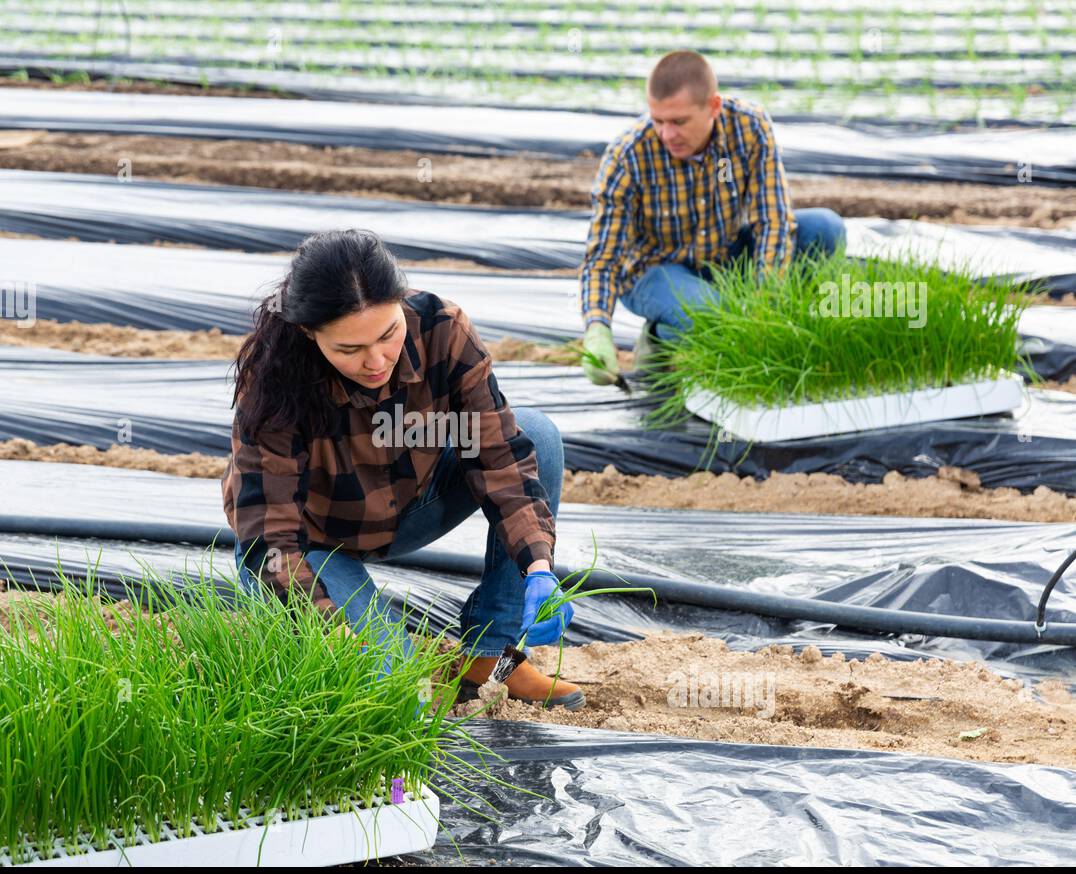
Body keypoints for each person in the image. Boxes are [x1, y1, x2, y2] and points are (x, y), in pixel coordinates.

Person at [222, 228, 585, 710]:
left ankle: (490, 654)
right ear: (310, 333)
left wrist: (538, 565)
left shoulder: (441, 329)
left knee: (536, 436)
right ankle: (364, 650)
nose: (376, 362)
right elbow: (272, 540)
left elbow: (497, 455)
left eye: (388, 335)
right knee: (396, 696)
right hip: (308, 549)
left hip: (405, 507)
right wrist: (340, 637)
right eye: (349, 350)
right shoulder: (274, 379)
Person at [579, 49, 847, 384]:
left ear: (713, 107)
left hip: (724, 255)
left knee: (825, 228)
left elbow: (772, 219)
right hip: (657, 271)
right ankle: (662, 337)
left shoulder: (748, 127)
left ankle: (768, 328)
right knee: (717, 315)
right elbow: (603, 256)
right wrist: (597, 328)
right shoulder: (628, 156)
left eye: (679, 122)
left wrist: (767, 304)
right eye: (658, 120)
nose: (666, 134)